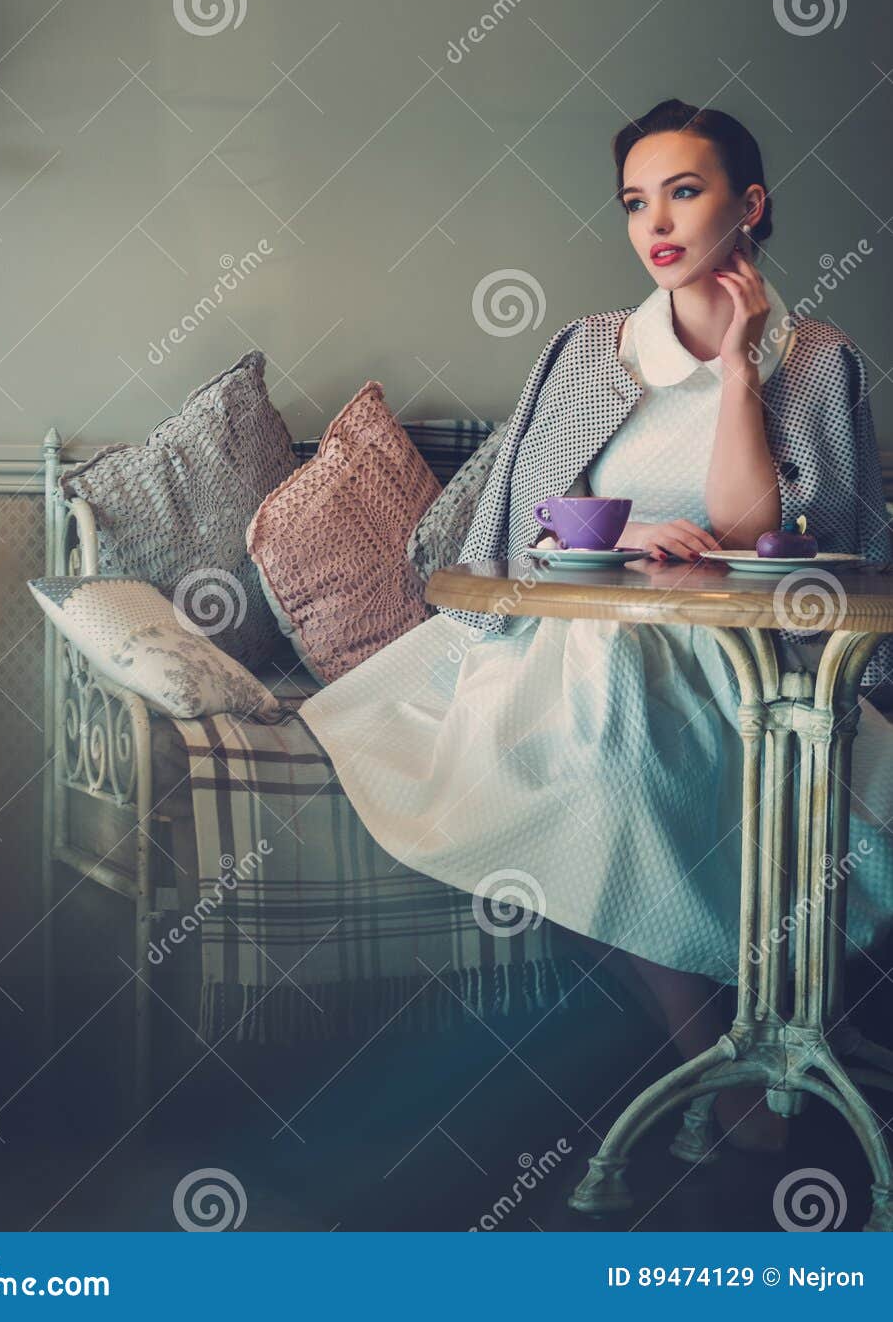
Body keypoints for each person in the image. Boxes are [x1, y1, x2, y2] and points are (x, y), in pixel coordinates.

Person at [300, 98, 893, 1155]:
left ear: (747, 206)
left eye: (684, 190)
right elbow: (535, 530)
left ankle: (790, 1035)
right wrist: (630, 545)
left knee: (769, 770)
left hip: (755, 660)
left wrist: (736, 370)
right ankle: (710, 1049)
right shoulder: (586, 351)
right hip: (584, 642)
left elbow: (789, 536)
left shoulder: (814, 358)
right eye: (633, 201)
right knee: (613, 728)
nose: (654, 221)